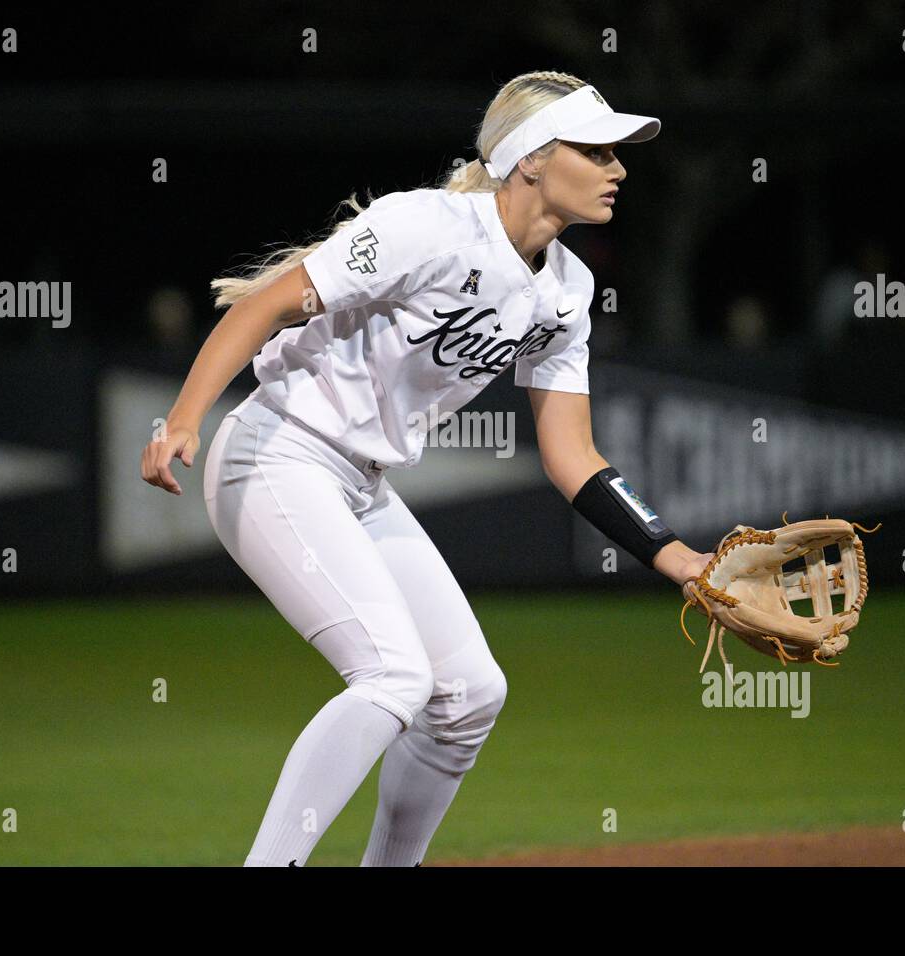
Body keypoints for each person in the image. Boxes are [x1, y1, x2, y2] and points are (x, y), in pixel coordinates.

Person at [140, 70, 713, 867]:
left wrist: (680, 559)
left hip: (361, 486)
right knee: (395, 678)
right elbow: (265, 302)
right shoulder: (428, 226)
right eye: (597, 149)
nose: (619, 168)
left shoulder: (567, 292)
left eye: (618, 153)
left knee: (471, 695)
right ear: (533, 160)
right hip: (276, 453)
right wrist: (183, 419)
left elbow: (572, 453)